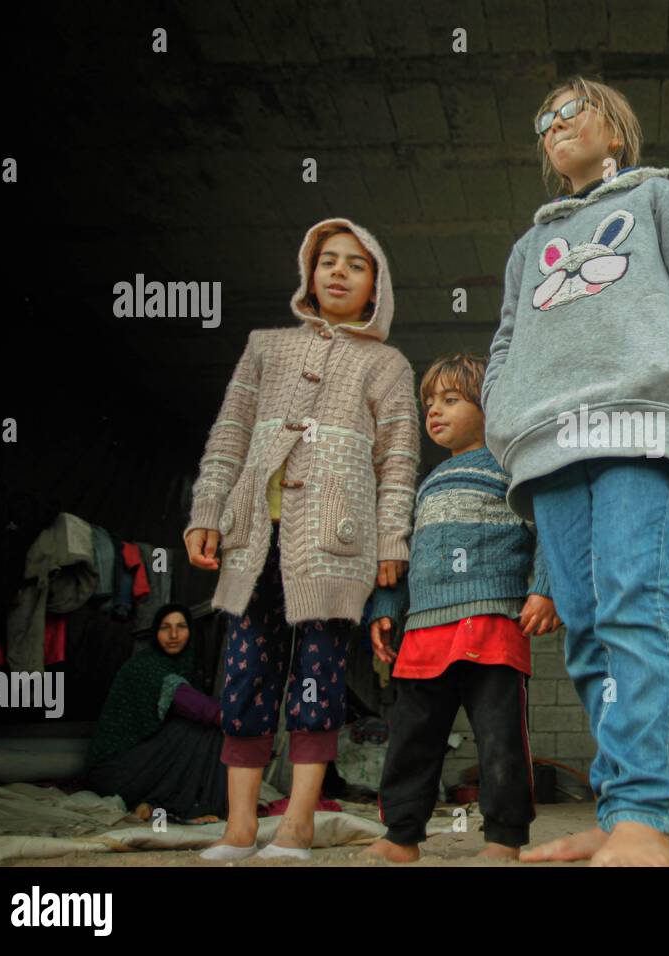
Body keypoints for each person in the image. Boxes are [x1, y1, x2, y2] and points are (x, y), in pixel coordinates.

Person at [480, 76, 669, 866]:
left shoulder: (662, 200)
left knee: (633, 602)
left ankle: (646, 817)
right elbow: (505, 341)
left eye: (569, 110)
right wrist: (501, 409)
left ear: (613, 129)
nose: (554, 125)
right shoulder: (531, 248)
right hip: (546, 439)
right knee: (586, 629)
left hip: (632, 420)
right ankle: (619, 802)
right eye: (542, 119)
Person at [183, 218, 419, 861]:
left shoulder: (387, 364)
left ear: (376, 288)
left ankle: (298, 825)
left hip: (335, 546)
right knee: (243, 673)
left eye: (356, 264)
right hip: (255, 536)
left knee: (318, 679)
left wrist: (392, 542)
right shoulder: (265, 347)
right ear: (309, 276)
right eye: (327, 261)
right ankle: (238, 828)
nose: (339, 272)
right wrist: (208, 508)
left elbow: (397, 462)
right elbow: (230, 432)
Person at [361, 353, 561, 862]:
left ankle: (503, 840)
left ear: (489, 405)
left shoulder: (513, 466)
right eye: (429, 402)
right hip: (425, 627)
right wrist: (386, 604)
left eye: (451, 399)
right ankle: (401, 838)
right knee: (412, 738)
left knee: (500, 740)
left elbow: (550, 530)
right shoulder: (425, 483)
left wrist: (547, 587)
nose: (435, 411)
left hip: (491, 620)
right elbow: (399, 552)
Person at [86, 603, 225, 823]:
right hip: (115, 771)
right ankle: (196, 806)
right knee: (203, 727)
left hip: (145, 764)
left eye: (181, 627)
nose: (173, 635)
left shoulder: (182, 665)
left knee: (201, 730)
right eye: (165, 628)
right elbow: (202, 709)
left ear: (191, 632)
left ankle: (154, 803)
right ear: (155, 633)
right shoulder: (147, 667)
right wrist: (246, 718)